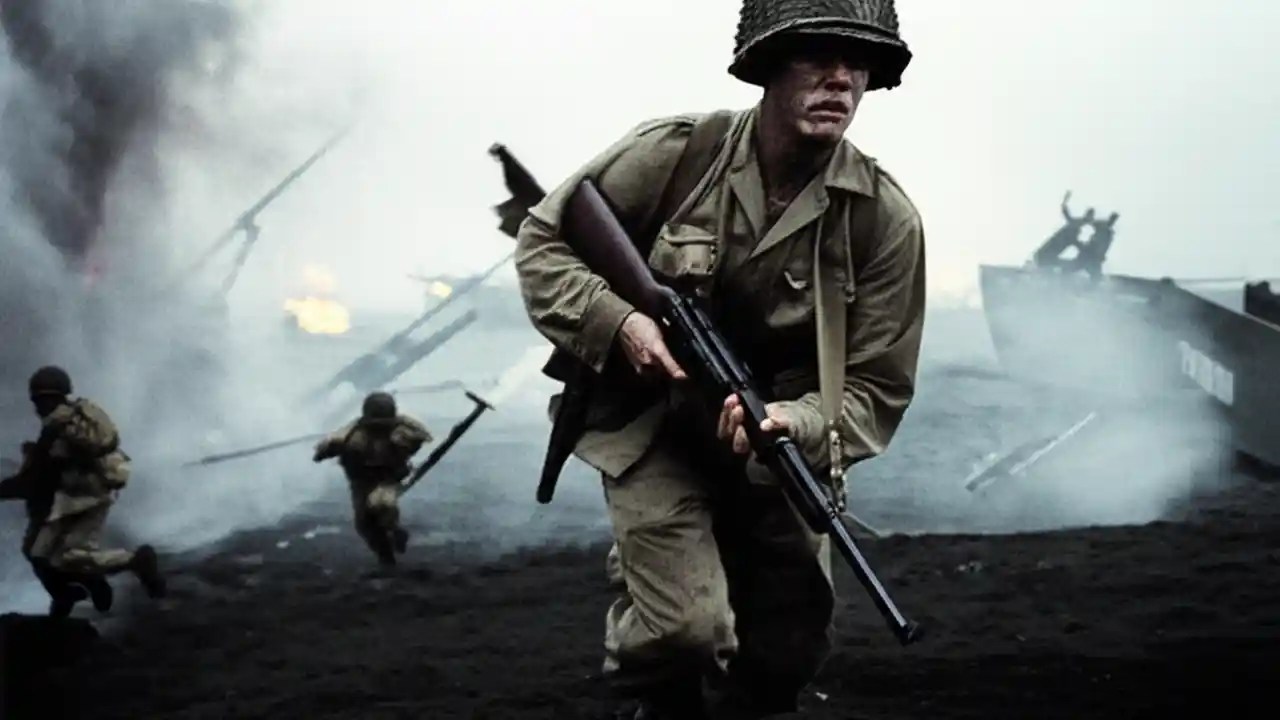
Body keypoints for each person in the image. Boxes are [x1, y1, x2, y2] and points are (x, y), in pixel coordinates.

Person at [511, 1, 926, 716]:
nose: (839, 79)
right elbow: (544, 243)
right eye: (815, 57)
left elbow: (876, 387)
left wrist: (796, 421)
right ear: (768, 66)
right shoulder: (678, 154)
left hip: (776, 448)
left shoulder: (882, 219)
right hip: (653, 427)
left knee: (784, 656)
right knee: (684, 633)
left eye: (857, 63)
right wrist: (621, 322)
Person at [22, 366, 166, 604]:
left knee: (69, 556)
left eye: (40, 400)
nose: (38, 407)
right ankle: (79, 588)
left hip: (85, 497)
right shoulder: (73, 419)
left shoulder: (60, 426)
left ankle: (132, 561)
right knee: (40, 554)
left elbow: (49, 466)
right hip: (77, 496)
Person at [312, 391, 432, 567]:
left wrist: (404, 444)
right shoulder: (352, 435)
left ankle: (394, 531)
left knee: (382, 504)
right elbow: (327, 449)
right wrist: (328, 449)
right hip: (361, 482)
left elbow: (421, 438)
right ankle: (386, 557)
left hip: (388, 479)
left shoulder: (402, 431)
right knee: (364, 524)